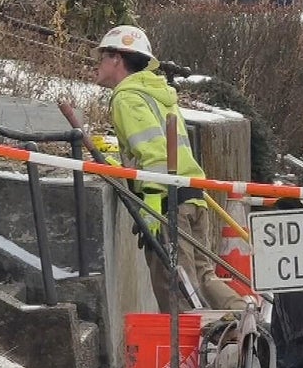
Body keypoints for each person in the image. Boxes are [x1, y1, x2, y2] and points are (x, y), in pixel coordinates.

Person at [94, 24, 246, 313]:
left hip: (166, 203)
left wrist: (151, 203)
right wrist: (119, 166)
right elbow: (160, 146)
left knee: (178, 291)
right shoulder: (158, 93)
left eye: (102, 57)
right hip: (192, 195)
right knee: (202, 277)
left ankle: (198, 353)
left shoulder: (127, 97)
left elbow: (154, 153)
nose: (97, 64)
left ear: (117, 58)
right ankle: (245, 322)